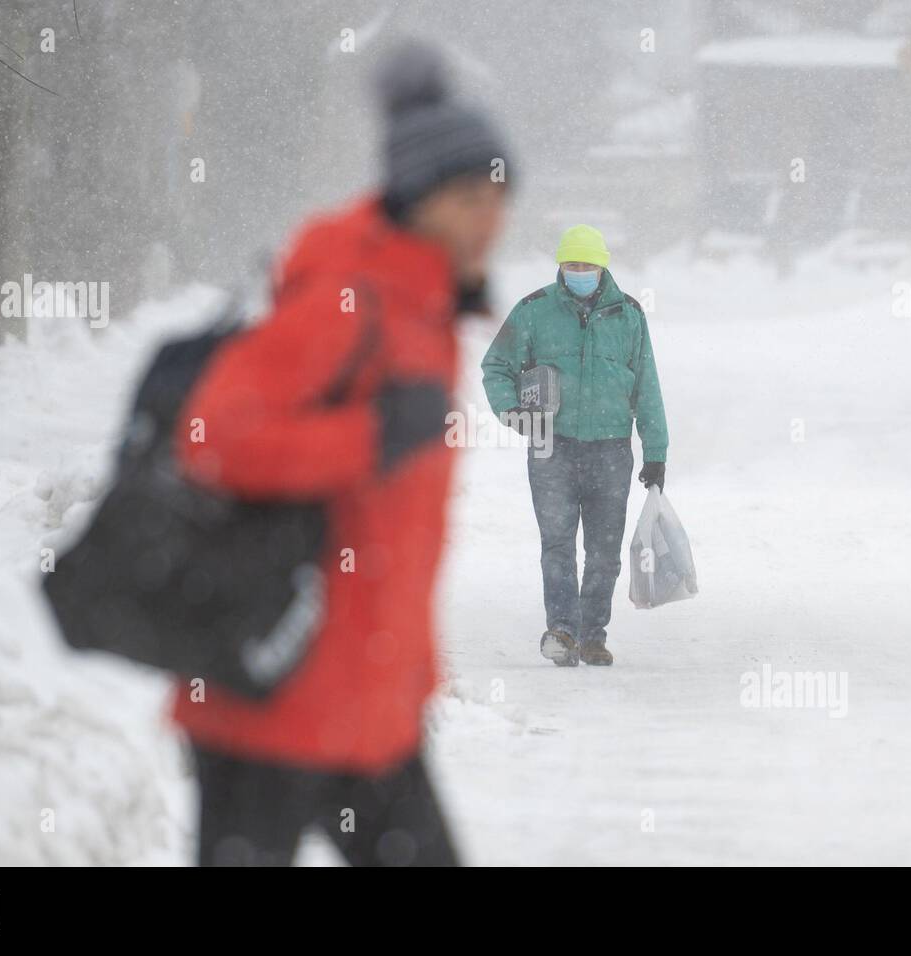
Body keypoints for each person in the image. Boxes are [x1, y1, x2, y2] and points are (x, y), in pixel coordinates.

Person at [171, 41, 510, 866]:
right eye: (469, 196)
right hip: (269, 703)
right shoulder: (348, 292)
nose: (490, 219)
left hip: (367, 705)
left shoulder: (426, 307)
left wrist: (414, 674)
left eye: (499, 196)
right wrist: (374, 437)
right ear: (419, 194)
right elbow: (215, 437)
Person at [481, 225, 668, 667]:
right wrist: (512, 412)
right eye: (571, 265)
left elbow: (648, 388)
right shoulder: (534, 311)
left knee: (604, 551)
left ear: (602, 267)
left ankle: (593, 634)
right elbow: (496, 366)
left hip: (610, 451)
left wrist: (656, 451)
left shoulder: (629, 315)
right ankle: (562, 629)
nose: (579, 272)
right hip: (551, 447)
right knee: (557, 545)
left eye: (586, 265)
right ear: (560, 266)